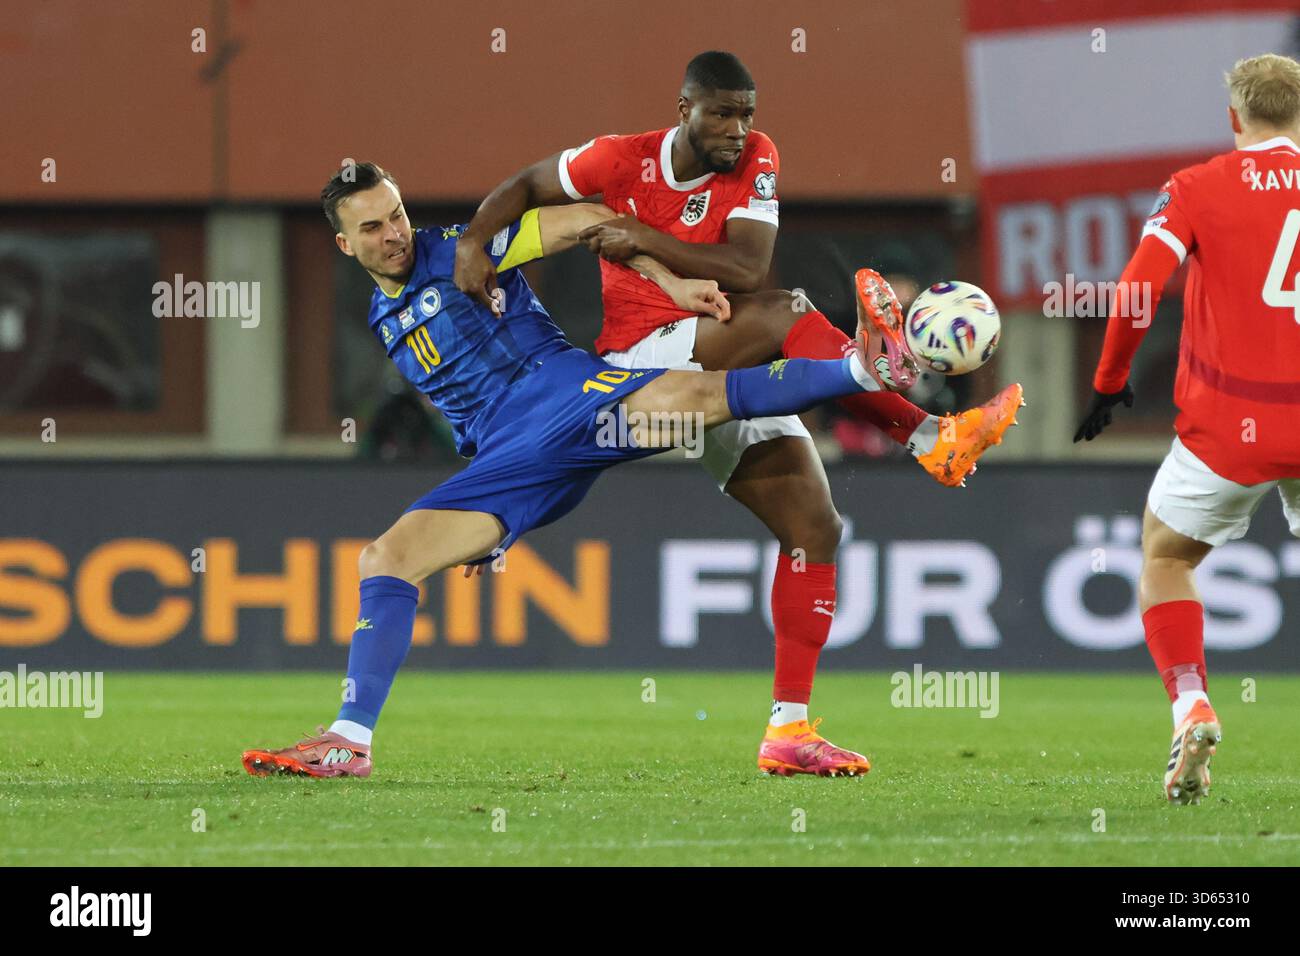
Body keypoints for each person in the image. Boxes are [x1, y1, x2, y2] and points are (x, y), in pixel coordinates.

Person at [242, 162, 912, 778]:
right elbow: (463, 406)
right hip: (509, 458)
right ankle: (349, 740)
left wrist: (671, 278)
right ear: (343, 244)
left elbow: (590, 219)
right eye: (373, 226)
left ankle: (862, 368)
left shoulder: (459, 249)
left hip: (568, 396)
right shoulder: (381, 316)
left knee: (698, 395)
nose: (394, 234)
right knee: (385, 559)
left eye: (396, 214)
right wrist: (498, 514)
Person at [454, 51, 1023, 773]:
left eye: (747, 113)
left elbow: (746, 266)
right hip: (642, 361)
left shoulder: (757, 158)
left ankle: (789, 730)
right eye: (721, 113)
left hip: (720, 361)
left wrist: (644, 239)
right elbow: (528, 184)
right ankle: (926, 430)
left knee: (815, 529)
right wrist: (474, 240)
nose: (737, 129)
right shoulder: (617, 159)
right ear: (684, 108)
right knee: (790, 314)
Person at [1075, 53, 1300, 804]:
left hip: (1230, 426)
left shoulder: (1197, 187)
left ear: (1235, 118)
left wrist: (1109, 384)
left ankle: (1191, 703)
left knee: (1166, 557)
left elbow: (1137, 287)